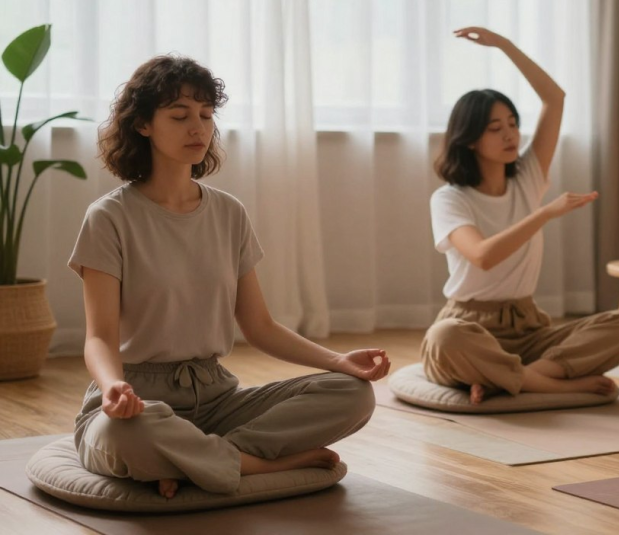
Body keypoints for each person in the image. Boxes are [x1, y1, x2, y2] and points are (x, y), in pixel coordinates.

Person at [69, 55, 390, 499]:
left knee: (353, 394)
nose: (197, 128)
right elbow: (99, 337)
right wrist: (112, 388)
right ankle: (249, 463)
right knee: (125, 436)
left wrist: (338, 362)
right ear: (142, 124)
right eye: (179, 116)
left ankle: (194, 461)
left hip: (217, 399)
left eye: (206, 115)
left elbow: (259, 326)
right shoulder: (108, 217)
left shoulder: (228, 212)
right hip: (139, 402)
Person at [423, 27, 619, 405]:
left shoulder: (527, 176)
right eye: (496, 129)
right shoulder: (449, 199)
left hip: (528, 328)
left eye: (513, 123)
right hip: (470, 326)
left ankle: (515, 378)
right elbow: (483, 256)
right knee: (446, 339)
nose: (510, 135)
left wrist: (506, 46)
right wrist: (544, 213)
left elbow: (554, 98)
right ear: (470, 139)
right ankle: (549, 382)